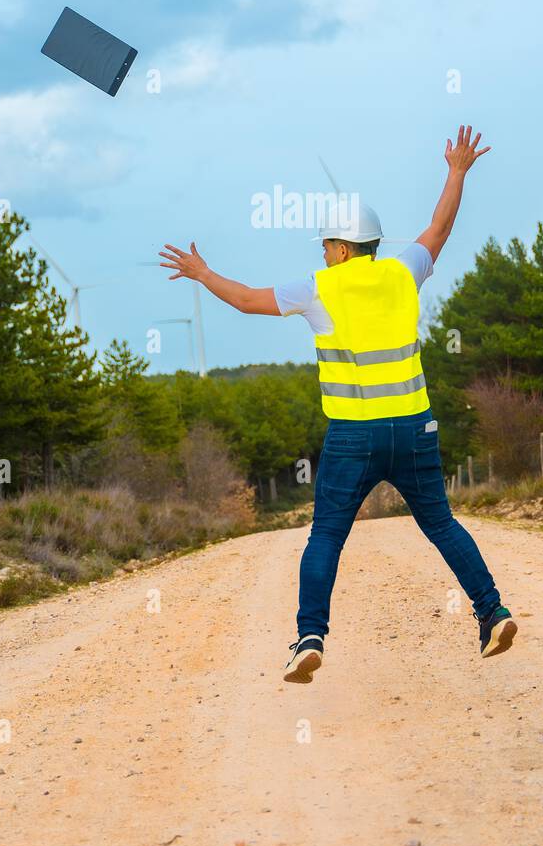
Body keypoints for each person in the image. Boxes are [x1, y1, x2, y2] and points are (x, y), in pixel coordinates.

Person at [159, 126, 517, 684]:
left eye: (327, 245)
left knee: (326, 534)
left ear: (343, 248)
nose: (323, 254)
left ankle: (310, 636)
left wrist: (203, 274)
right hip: (414, 429)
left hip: (353, 435)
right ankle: (492, 612)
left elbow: (250, 302)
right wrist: (457, 172)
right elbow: (440, 229)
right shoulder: (403, 272)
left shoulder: (317, 289)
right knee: (442, 524)